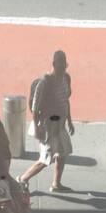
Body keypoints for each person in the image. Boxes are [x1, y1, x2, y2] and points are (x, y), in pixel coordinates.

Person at [20, 50, 74, 193]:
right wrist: (38, 129)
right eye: (60, 66)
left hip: (60, 125)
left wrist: (70, 120)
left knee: (63, 153)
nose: (63, 70)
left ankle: (56, 184)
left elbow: (65, 101)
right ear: (53, 64)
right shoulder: (44, 83)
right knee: (45, 159)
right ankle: (23, 179)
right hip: (47, 127)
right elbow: (35, 107)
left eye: (64, 66)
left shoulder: (65, 78)